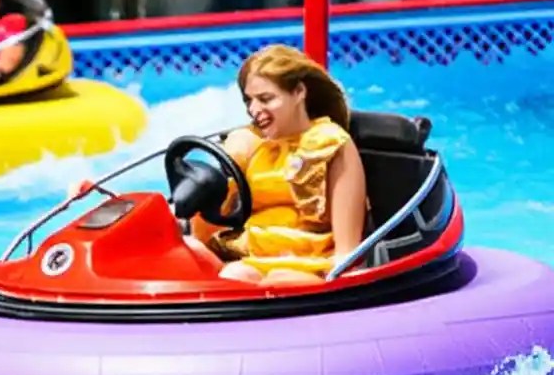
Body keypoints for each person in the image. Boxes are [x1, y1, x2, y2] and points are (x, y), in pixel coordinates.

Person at [68, 44, 368, 286]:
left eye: (266, 99)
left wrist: (331, 282)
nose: (255, 110)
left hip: (310, 265)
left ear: (299, 92)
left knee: (266, 280)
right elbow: (197, 213)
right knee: (200, 259)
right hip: (252, 259)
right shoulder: (252, 146)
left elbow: (348, 251)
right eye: (249, 101)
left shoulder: (331, 144)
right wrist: (108, 196)